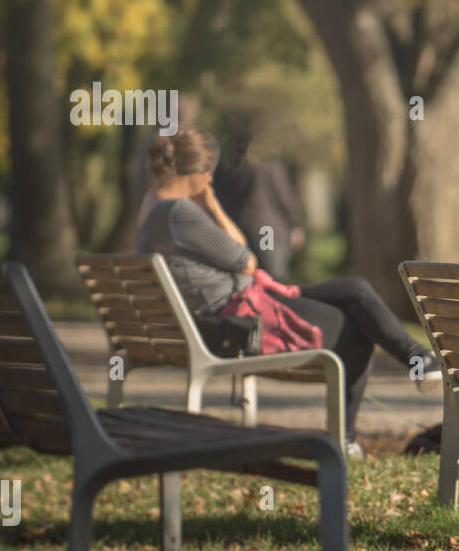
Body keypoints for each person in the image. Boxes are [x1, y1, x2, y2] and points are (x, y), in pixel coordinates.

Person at [135, 126, 442, 458]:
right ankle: (349, 435)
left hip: (229, 313)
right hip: (238, 320)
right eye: (208, 173)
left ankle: (419, 360)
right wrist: (210, 202)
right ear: (198, 171)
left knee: (355, 289)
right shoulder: (181, 211)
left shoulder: (152, 212)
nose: (211, 180)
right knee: (358, 328)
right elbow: (245, 258)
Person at [213, 135, 306, 280]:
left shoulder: (236, 171)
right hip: (267, 229)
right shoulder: (272, 169)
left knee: (257, 273)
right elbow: (284, 198)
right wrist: (294, 224)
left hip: (244, 229)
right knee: (272, 274)